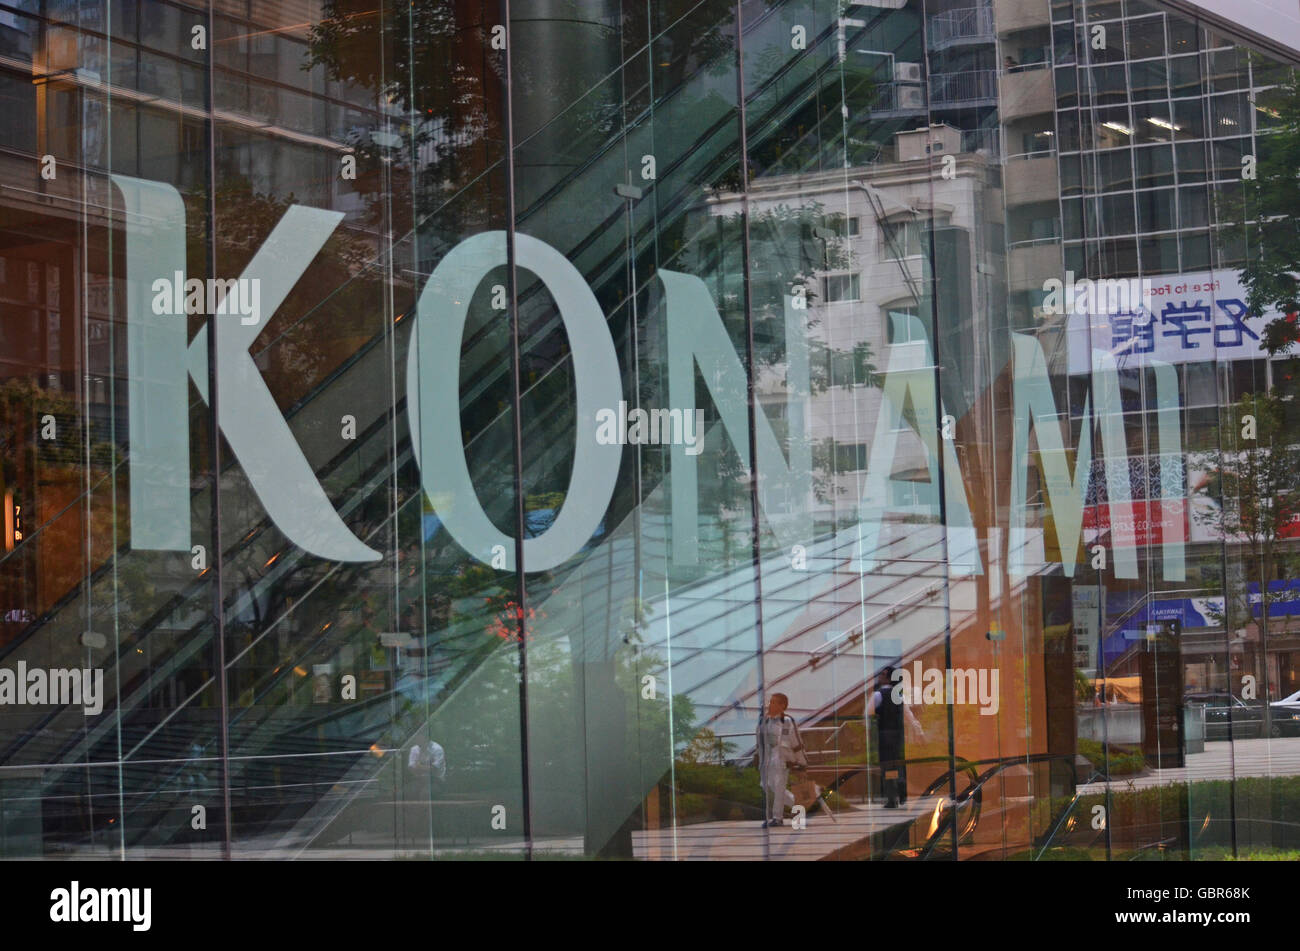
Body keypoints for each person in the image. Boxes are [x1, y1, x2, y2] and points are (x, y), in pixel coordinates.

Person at [867, 667, 923, 808]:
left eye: (883, 674)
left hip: (884, 736)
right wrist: (919, 732)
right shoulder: (898, 696)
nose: (879, 676)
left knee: (887, 767)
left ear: (887, 677)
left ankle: (892, 799)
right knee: (898, 766)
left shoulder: (877, 695)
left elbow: (867, 715)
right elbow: (909, 716)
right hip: (898, 736)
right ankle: (903, 794)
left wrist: (868, 733)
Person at [755, 692, 806, 827]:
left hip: (782, 758)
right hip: (767, 758)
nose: (769, 705)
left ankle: (777, 817)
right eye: (770, 702)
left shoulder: (787, 721)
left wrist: (802, 762)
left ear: (782, 705)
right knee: (767, 786)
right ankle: (798, 803)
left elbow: (796, 742)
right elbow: (759, 741)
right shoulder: (764, 720)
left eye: (773, 702)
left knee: (779, 787)